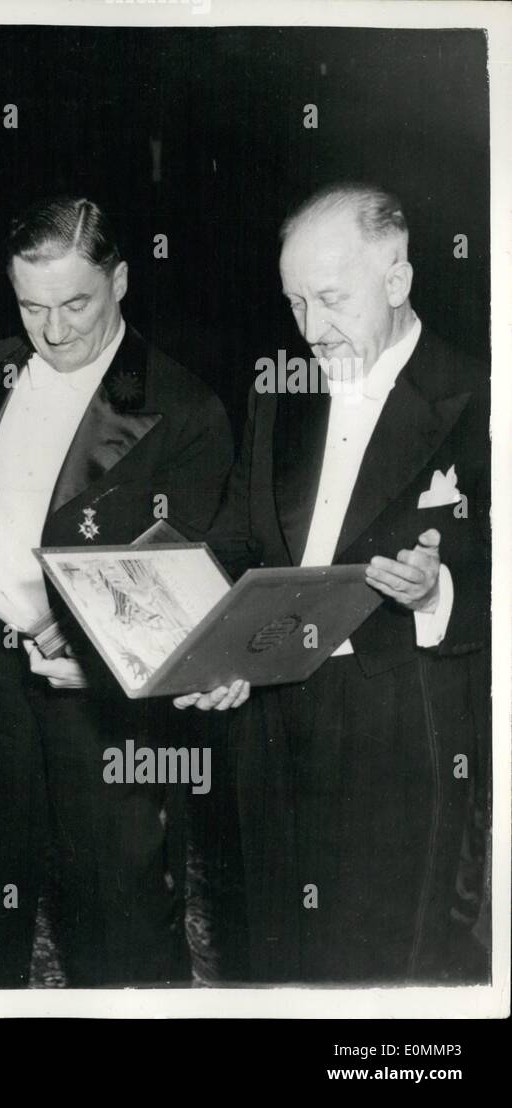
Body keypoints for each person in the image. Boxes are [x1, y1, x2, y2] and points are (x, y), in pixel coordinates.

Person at [0, 196, 233, 987]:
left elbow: (193, 576)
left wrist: (91, 630)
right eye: (31, 306)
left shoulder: (183, 410)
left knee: (119, 899)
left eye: (75, 304)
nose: (52, 331)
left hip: (104, 699)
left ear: (120, 281)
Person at [177, 182, 491, 983]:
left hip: (403, 722)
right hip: (274, 716)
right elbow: (238, 541)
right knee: (277, 951)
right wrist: (211, 650)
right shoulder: (278, 390)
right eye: (294, 303)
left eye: (331, 298)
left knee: (394, 963)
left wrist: (436, 593)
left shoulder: (482, 396)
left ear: (397, 279)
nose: (312, 330)